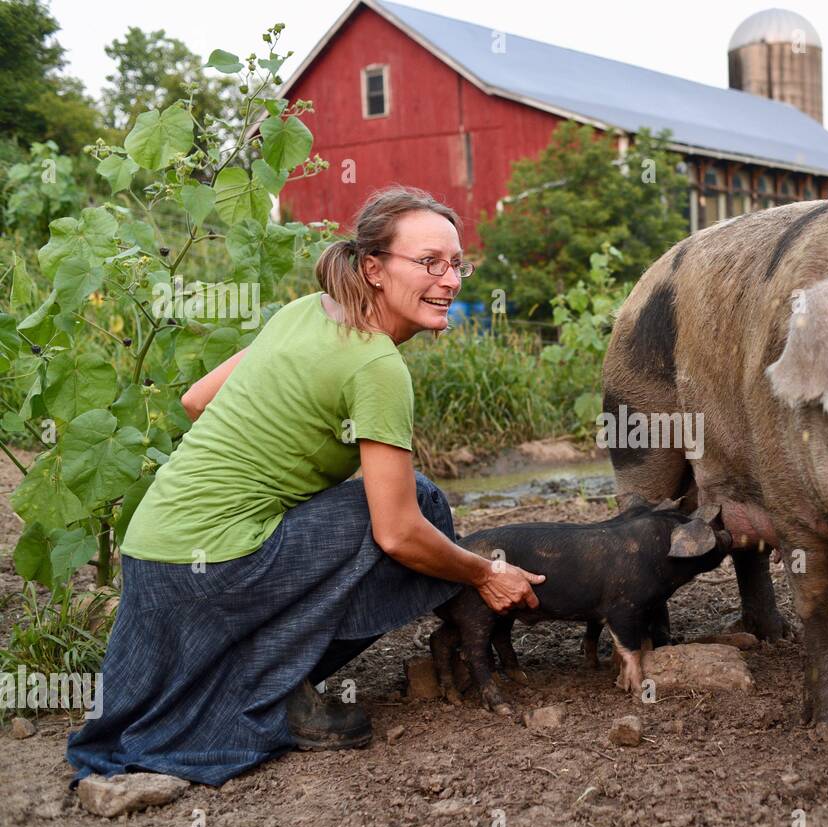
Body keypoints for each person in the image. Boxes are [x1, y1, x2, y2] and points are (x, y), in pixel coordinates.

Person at [66, 186, 544, 787]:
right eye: (429, 263)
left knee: (380, 511)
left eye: (456, 264)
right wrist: (484, 573)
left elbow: (196, 402)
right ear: (372, 267)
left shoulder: (308, 308)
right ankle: (272, 691)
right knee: (417, 505)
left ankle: (268, 673)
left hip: (152, 554)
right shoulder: (376, 366)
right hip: (212, 569)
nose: (449, 279)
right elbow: (397, 533)